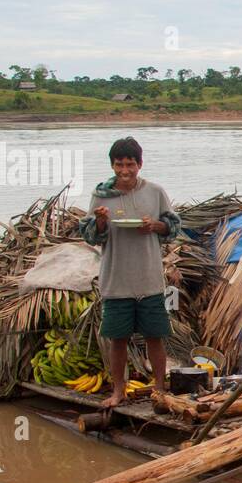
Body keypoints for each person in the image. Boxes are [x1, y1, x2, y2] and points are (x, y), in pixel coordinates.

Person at [78, 137, 180, 407]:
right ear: (112, 165)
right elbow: (91, 236)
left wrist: (155, 226)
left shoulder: (155, 192)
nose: (125, 170)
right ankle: (118, 391)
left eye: (130, 164)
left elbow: (173, 226)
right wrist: (100, 222)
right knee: (118, 339)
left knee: (155, 336)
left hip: (149, 278)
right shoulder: (101, 195)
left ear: (140, 164)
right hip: (116, 278)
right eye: (119, 165)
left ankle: (159, 388)